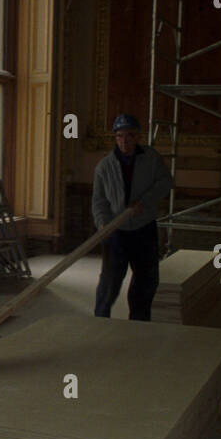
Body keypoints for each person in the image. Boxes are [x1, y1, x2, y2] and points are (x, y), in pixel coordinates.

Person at [90, 114, 173, 320]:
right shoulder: (104, 166)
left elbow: (165, 183)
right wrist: (102, 223)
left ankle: (139, 322)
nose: (124, 141)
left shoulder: (151, 158)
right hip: (116, 231)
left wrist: (144, 202)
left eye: (129, 135)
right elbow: (99, 201)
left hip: (144, 229)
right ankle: (100, 320)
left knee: (146, 280)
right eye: (119, 136)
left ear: (138, 137)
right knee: (110, 281)